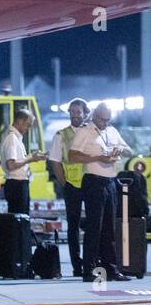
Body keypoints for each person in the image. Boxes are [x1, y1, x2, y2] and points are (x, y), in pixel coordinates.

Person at [68, 103, 134, 282]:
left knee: (109, 229)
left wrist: (121, 150)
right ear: (94, 117)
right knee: (94, 227)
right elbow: (72, 156)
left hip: (110, 181)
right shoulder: (85, 131)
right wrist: (97, 157)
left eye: (107, 120)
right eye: (101, 119)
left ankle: (111, 269)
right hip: (93, 181)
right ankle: (88, 269)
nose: (104, 123)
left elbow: (130, 150)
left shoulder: (112, 131)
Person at [48, 98, 90, 276]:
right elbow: (55, 161)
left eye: (78, 112)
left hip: (92, 183)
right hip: (72, 185)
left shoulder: (92, 132)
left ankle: (90, 261)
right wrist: (64, 183)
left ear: (85, 113)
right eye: (72, 112)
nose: (74, 116)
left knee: (93, 225)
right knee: (73, 226)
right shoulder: (61, 135)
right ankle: (77, 265)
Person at [0, 108, 44, 215]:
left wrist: (31, 157)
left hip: (19, 183)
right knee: (19, 218)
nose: (28, 129)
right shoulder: (12, 139)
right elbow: (11, 164)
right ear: (19, 121)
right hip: (16, 184)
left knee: (22, 217)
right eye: (28, 125)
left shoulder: (16, 139)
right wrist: (31, 159)